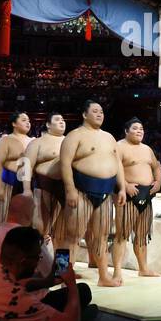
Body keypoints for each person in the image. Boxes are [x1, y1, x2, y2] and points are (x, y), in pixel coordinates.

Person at [60, 100, 123, 284]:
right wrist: (70, 189)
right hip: (81, 190)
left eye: (101, 111)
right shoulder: (74, 135)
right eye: (95, 111)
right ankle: (61, 275)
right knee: (72, 236)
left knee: (102, 236)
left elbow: (117, 164)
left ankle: (104, 276)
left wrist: (121, 188)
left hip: (105, 193)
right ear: (84, 114)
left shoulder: (110, 137)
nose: (99, 114)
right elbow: (65, 163)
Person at [114, 118, 161, 281]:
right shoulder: (119, 146)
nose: (139, 131)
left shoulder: (147, 149)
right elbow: (114, 168)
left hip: (147, 194)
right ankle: (117, 272)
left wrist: (158, 181)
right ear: (126, 131)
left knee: (142, 235)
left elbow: (156, 166)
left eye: (141, 128)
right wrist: (125, 185)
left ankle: (143, 268)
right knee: (122, 234)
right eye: (135, 128)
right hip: (128, 194)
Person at [22, 114, 67, 243]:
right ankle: (36, 261)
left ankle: (60, 263)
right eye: (57, 120)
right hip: (43, 186)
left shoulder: (70, 141)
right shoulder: (37, 142)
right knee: (40, 230)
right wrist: (26, 189)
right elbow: (26, 165)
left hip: (66, 188)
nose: (61, 122)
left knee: (62, 232)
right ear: (48, 124)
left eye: (63, 120)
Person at [0, 112, 32, 225]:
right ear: (14, 123)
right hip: (9, 182)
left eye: (28, 120)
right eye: (24, 120)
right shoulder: (5, 141)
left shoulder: (34, 141)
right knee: (6, 220)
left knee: (27, 220)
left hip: (31, 184)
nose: (28, 122)